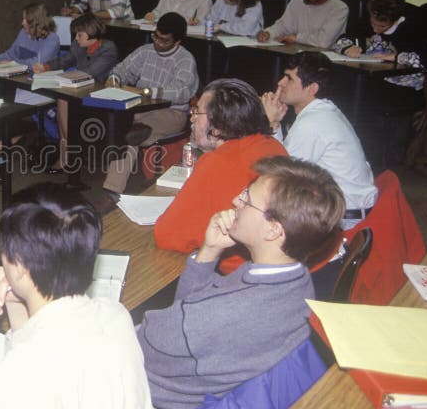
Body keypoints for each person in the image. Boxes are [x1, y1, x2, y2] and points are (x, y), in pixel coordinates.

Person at [138, 156, 345, 409]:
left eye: (247, 199)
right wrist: (209, 252)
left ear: (273, 230)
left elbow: (146, 343)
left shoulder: (223, 314)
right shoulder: (296, 280)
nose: (236, 199)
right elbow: (187, 314)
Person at [0, 183, 153, 409]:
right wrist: (16, 304)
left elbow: (28, 369)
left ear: (20, 264)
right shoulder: (116, 315)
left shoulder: (20, 371)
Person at [260, 52, 378, 297]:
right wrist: (274, 126)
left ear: (311, 88)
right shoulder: (321, 113)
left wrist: (269, 123)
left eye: (289, 79)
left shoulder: (313, 123)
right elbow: (287, 161)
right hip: (349, 209)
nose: (280, 83)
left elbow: (278, 178)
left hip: (342, 221)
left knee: (260, 220)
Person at [153, 78, 287, 264]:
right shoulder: (271, 145)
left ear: (217, 129)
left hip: (243, 277)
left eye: (197, 112)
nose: (192, 119)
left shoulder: (219, 162)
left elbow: (167, 236)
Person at [100, 13, 199, 202]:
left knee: (129, 134)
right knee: (128, 130)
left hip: (171, 113)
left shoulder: (185, 60)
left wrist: (147, 91)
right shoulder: (145, 51)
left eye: (165, 40)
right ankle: (140, 134)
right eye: (156, 36)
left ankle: (112, 191)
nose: (158, 43)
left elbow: (181, 92)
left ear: (177, 41)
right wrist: (115, 79)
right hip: (140, 109)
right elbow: (121, 69)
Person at [33, 13, 118, 172]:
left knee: (64, 99)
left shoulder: (108, 48)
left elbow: (91, 72)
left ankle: (68, 152)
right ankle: (67, 151)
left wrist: (66, 77)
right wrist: (45, 67)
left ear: (92, 32)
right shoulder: (79, 45)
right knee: (63, 98)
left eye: (80, 35)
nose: (76, 38)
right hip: (80, 90)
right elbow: (65, 60)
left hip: (101, 95)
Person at [334, 0, 427, 91]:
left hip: (402, 88)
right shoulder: (367, 20)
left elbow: (426, 59)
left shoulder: (412, 29)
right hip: (371, 81)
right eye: (373, 23)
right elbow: (344, 38)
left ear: (396, 20)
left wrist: (397, 57)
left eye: (382, 26)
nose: (375, 29)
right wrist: (348, 47)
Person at [0, 3, 60, 69]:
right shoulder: (23, 33)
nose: (22, 23)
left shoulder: (52, 39)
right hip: (20, 80)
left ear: (35, 22)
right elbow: (10, 54)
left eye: (25, 19)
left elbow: (37, 64)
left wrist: (13, 64)